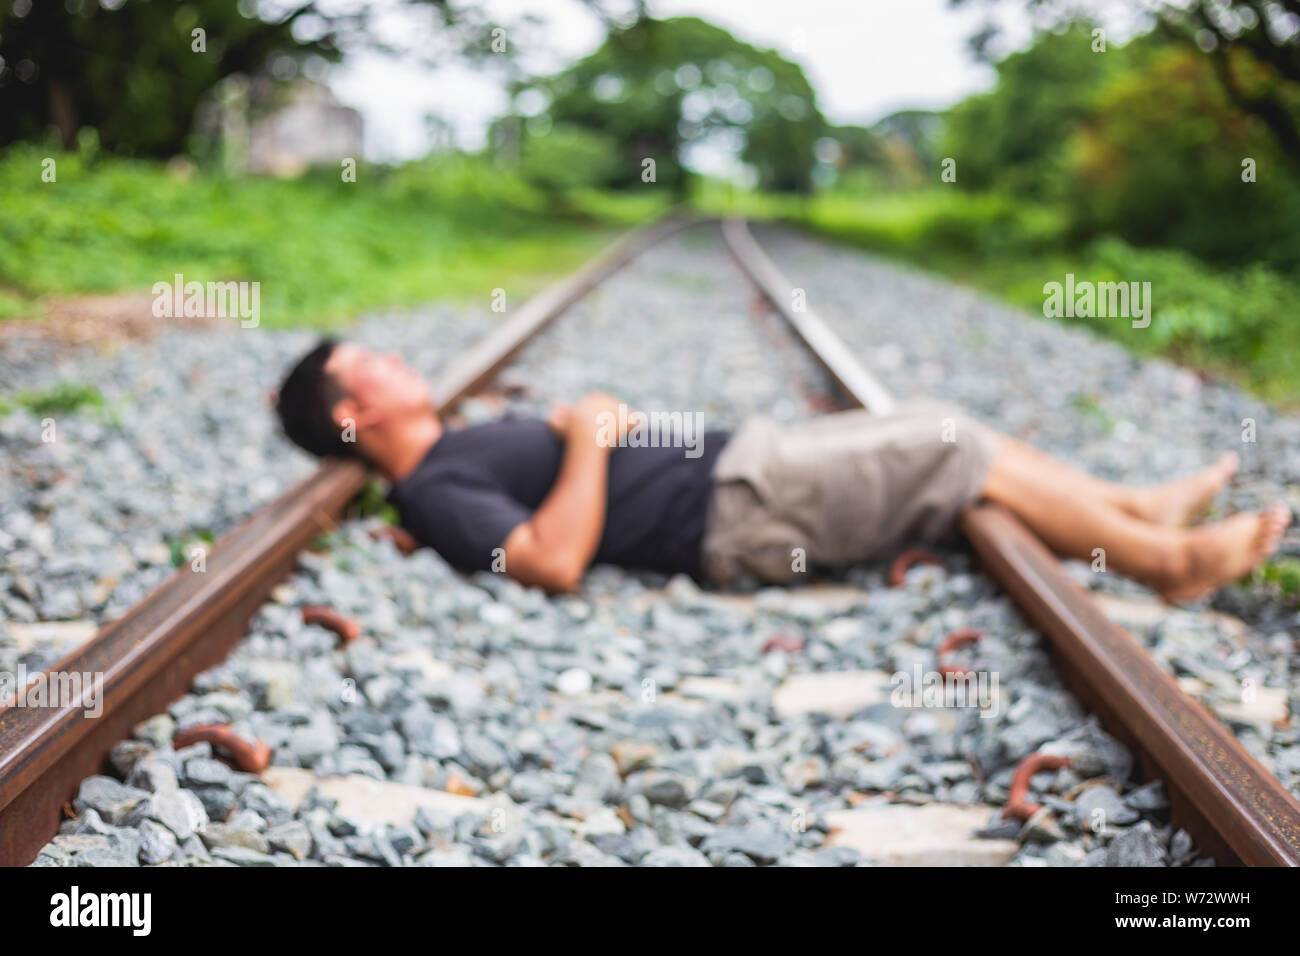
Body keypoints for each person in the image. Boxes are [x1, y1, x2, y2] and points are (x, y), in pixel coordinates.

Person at [274, 339, 1290, 602]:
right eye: (371, 363)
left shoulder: (451, 452)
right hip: (739, 510)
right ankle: (1164, 560)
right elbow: (547, 561)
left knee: (939, 422)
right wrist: (588, 439)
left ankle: (1132, 508)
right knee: (947, 448)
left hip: (742, 465)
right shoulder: (435, 489)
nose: (397, 359)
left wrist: (585, 427)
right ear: (354, 413)